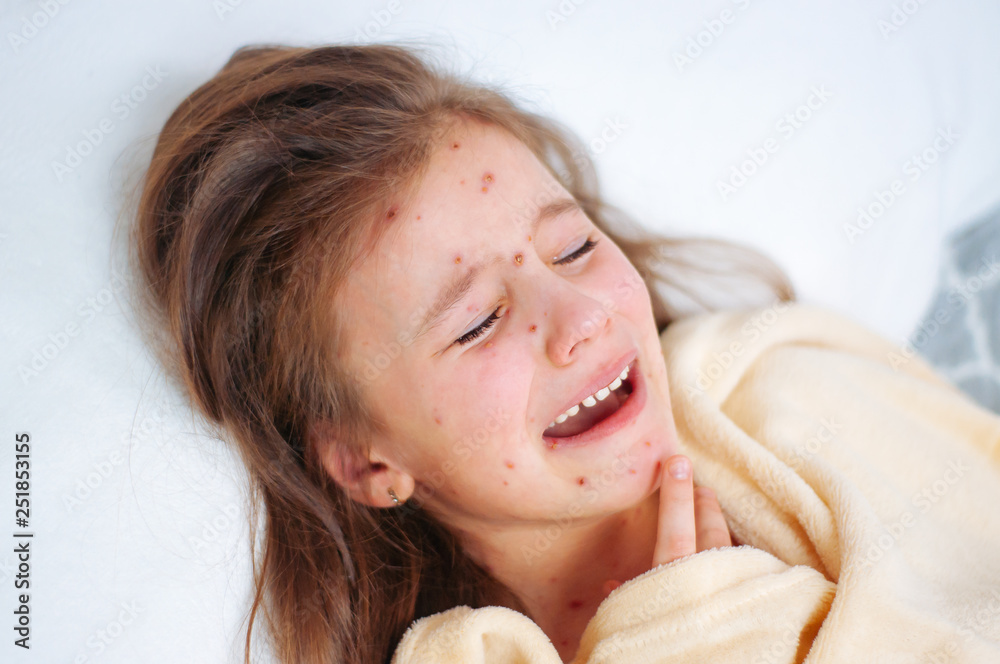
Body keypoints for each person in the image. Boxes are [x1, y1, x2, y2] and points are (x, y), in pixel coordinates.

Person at [126, 43, 1000, 664]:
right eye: (475, 323)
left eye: (574, 249)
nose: (580, 317)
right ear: (364, 459)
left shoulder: (785, 396)